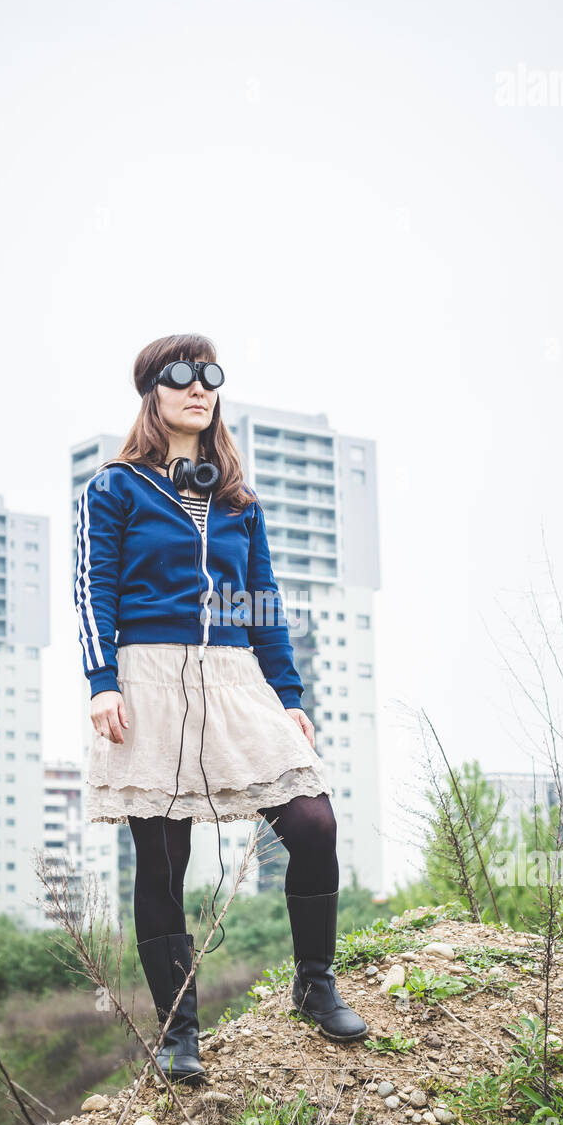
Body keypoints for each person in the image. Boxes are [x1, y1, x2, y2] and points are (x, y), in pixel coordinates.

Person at [74, 333, 368, 1082]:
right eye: (180, 376)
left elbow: (263, 604)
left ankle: (314, 983)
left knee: (312, 819)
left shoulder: (238, 501)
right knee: (163, 859)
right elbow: (91, 589)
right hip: (148, 675)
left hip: (235, 676)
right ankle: (179, 1034)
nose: (197, 388)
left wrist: (288, 695)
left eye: (209, 376)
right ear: (153, 392)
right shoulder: (115, 487)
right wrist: (100, 679)